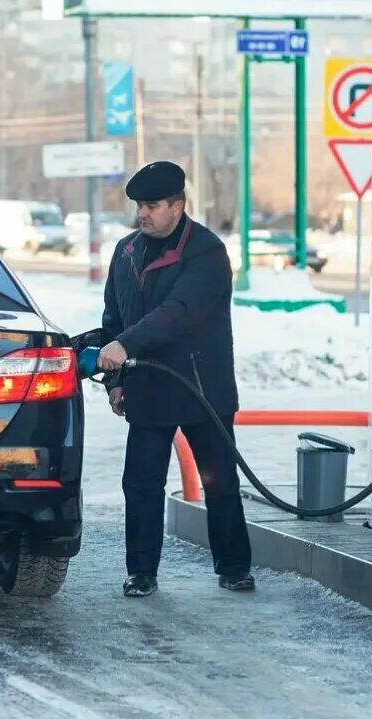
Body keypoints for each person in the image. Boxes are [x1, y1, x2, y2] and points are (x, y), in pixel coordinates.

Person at [97, 161, 254, 598]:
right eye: (138, 207)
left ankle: (234, 566)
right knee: (142, 483)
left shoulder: (206, 252)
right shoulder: (127, 252)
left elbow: (179, 312)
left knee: (219, 480)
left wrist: (126, 346)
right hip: (147, 386)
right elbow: (114, 316)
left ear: (178, 205)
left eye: (151, 206)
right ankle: (141, 571)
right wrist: (115, 382)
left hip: (202, 388)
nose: (142, 214)